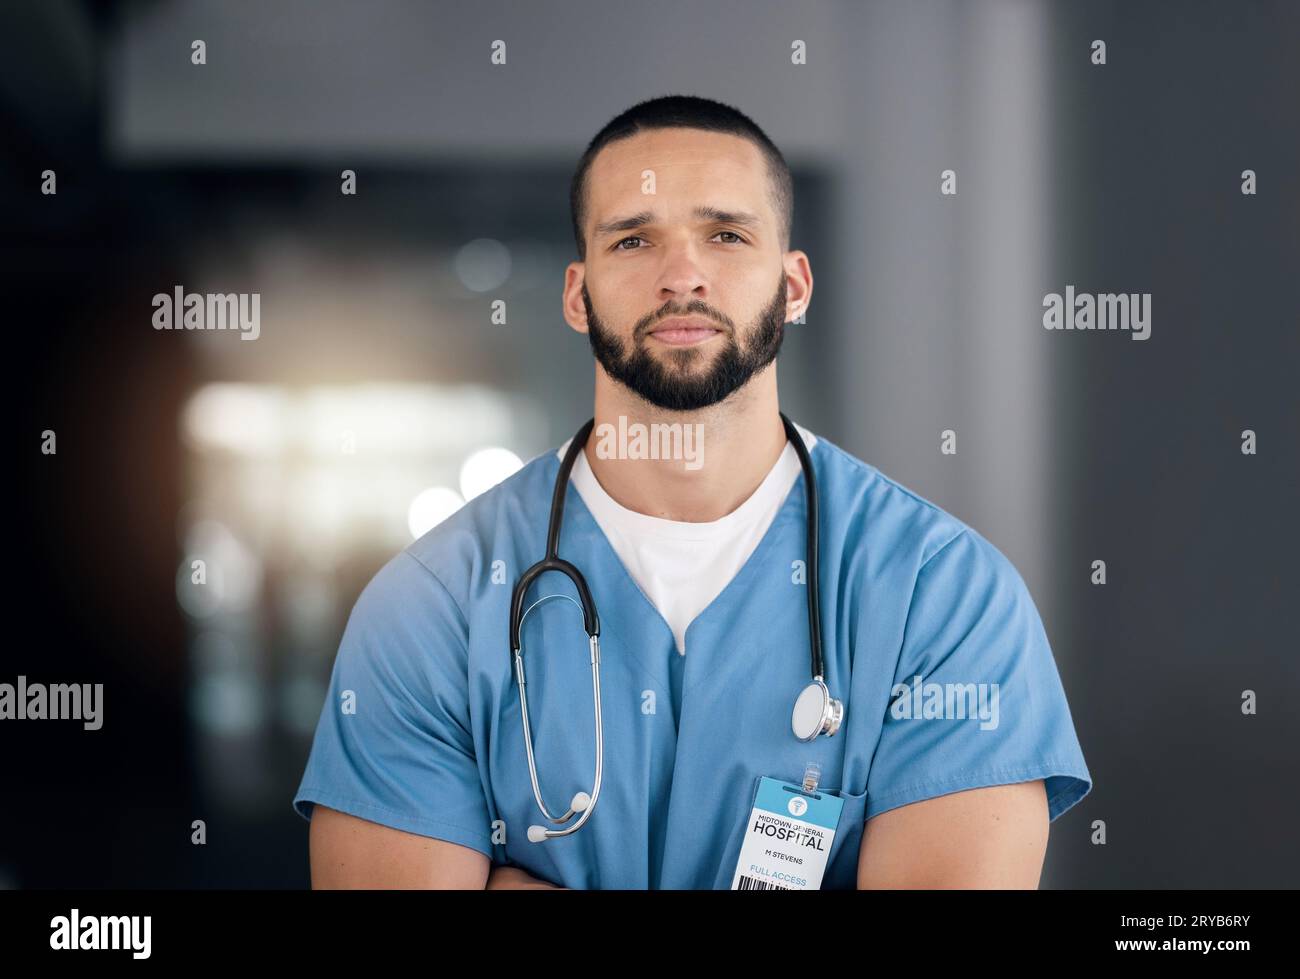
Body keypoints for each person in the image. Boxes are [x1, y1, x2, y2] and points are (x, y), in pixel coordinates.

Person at [292, 94, 1091, 889]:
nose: (682, 276)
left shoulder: (944, 594)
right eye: (634, 239)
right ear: (579, 295)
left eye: (726, 234)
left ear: (795, 285)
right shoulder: (429, 606)